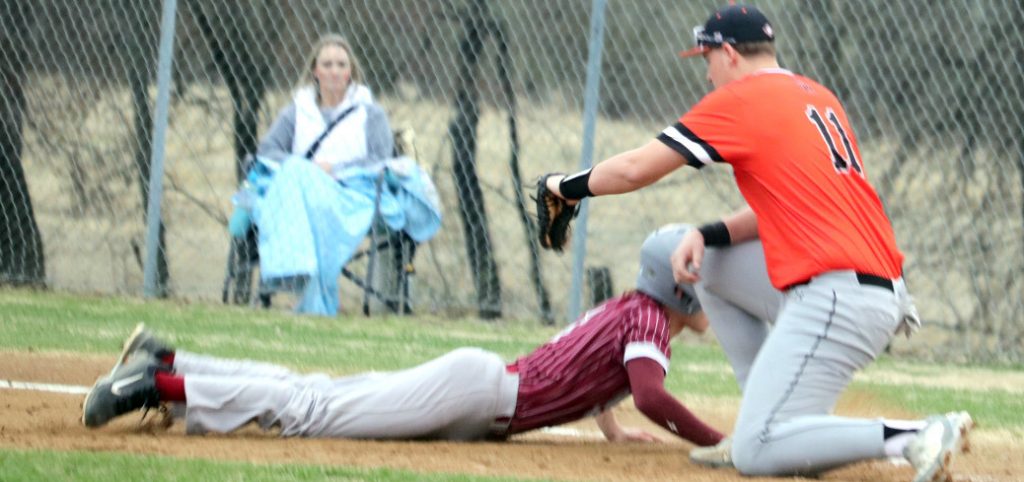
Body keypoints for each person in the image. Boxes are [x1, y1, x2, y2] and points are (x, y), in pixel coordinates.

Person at [538, 5, 971, 481]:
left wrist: (565, 185)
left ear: (728, 53)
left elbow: (635, 169)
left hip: (837, 294)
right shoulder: (817, 97)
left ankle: (914, 437)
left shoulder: (743, 98)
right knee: (705, 261)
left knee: (756, 452)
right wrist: (705, 234)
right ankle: (765, 420)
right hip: (864, 287)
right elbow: (785, 207)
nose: (707, 75)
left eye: (706, 59)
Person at [82, 226, 722, 447]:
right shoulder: (647, 323)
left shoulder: (633, 309)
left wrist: (608, 426)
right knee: (313, 411)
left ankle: (169, 360)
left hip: (480, 390)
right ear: (681, 291)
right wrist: (726, 441)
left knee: (312, 394)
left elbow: (596, 369)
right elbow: (651, 395)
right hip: (477, 395)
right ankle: (152, 385)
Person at [241, 34, 441, 316]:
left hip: (351, 196)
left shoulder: (371, 114)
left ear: (350, 72)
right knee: (296, 172)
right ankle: (305, 282)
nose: (334, 71)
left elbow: (380, 160)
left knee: (302, 185)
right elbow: (269, 151)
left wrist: (334, 170)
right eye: (327, 64)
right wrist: (309, 171)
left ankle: (300, 279)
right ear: (315, 71)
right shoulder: (296, 112)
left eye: (341, 64)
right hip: (300, 196)